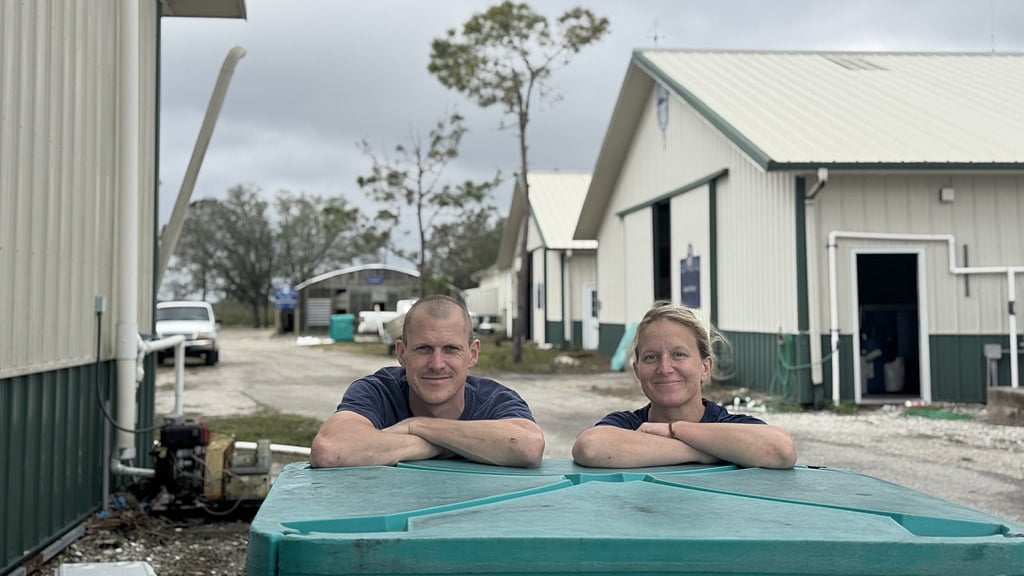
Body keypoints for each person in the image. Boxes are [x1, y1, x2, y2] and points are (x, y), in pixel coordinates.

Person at [310, 295, 545, 468]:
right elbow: (330, 450)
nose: (436, 363)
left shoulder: (495, 399)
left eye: (451, 349)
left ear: (473, 354)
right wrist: (450, 445)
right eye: (424, 349)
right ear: (401, 353)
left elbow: (528, 446)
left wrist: (417, 426)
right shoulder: (377, 391)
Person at [572, 302, 797, 469]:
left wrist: (674, 430)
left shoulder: (726, 423)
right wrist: (701, 452)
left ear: (705, 368)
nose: (665, 368)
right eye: (651, 357)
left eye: (679, 354)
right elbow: (590, 447)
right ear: (637, 370)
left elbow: (781, 450)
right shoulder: (627, 424)